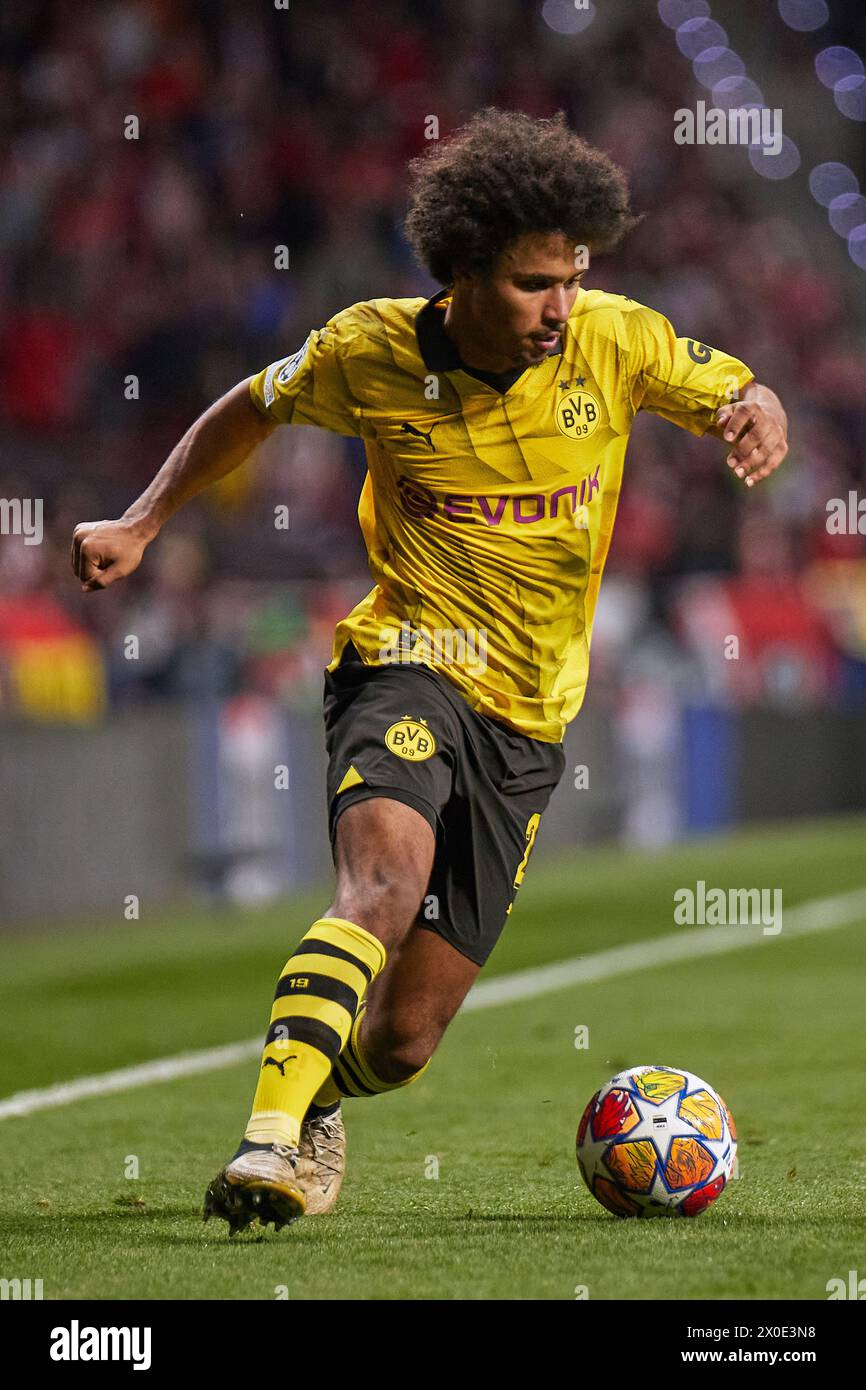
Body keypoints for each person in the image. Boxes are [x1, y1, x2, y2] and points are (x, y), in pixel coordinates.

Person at [70, 108, 788, 1235]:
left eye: (569, 277)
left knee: (403, 1042)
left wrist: (755, 413)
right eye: (530, 284)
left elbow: (740, 389)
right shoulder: (370, 351)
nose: (558, 307)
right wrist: (145, 521)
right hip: (405, 657)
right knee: (380, 889)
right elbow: (250, 405)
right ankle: (265, 1142)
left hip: (530, 718)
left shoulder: (617, 339)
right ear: (459, 271)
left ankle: (321, 1100)